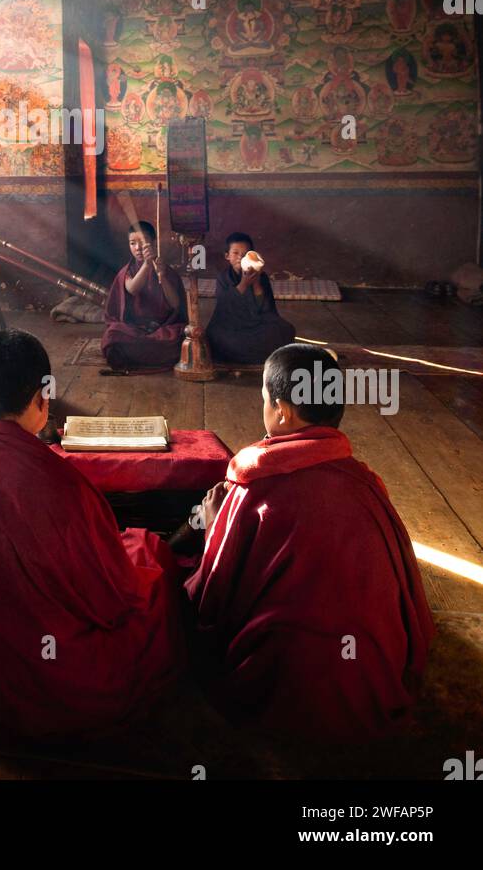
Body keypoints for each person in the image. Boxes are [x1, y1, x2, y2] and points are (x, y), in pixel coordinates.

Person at [0, 329, 185, 743]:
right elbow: (113, 598)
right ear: (42, 399)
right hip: (45, 694)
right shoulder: (64, 486)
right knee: (153, 562)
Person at [185, 343, 434, 740]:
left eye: (265, 400)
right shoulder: (366, 481)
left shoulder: (254, 485)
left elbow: (214, 594)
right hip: (374, 681)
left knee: (169, 597)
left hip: (283, 693)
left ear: (282, 411)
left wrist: (215, 525)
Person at [101, 221, 185, 372]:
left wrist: (163, 276)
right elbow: (132, 288)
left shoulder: (166, 269)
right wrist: (147, 265)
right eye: (133, 243)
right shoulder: (128, 271)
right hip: (134, 328)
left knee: (181, 337)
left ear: (153, 242)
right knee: (113, 335)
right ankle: (153, 356)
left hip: (162, 327)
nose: (138, 248)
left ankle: (138, 356)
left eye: (143, 242)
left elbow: (175, 304)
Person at [205, 231, 295, 364]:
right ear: (227, 256)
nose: (240, 257)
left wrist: (256, 282)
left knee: (286, 330)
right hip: (231, 327)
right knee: (217, 338)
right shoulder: (223, 278)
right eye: (235, 253)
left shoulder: (261, 277)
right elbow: (224, 308)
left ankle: (247, 354)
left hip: (256, 324)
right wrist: (243, 284)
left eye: (245, 253)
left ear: (252, 256)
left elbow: (266, 309)